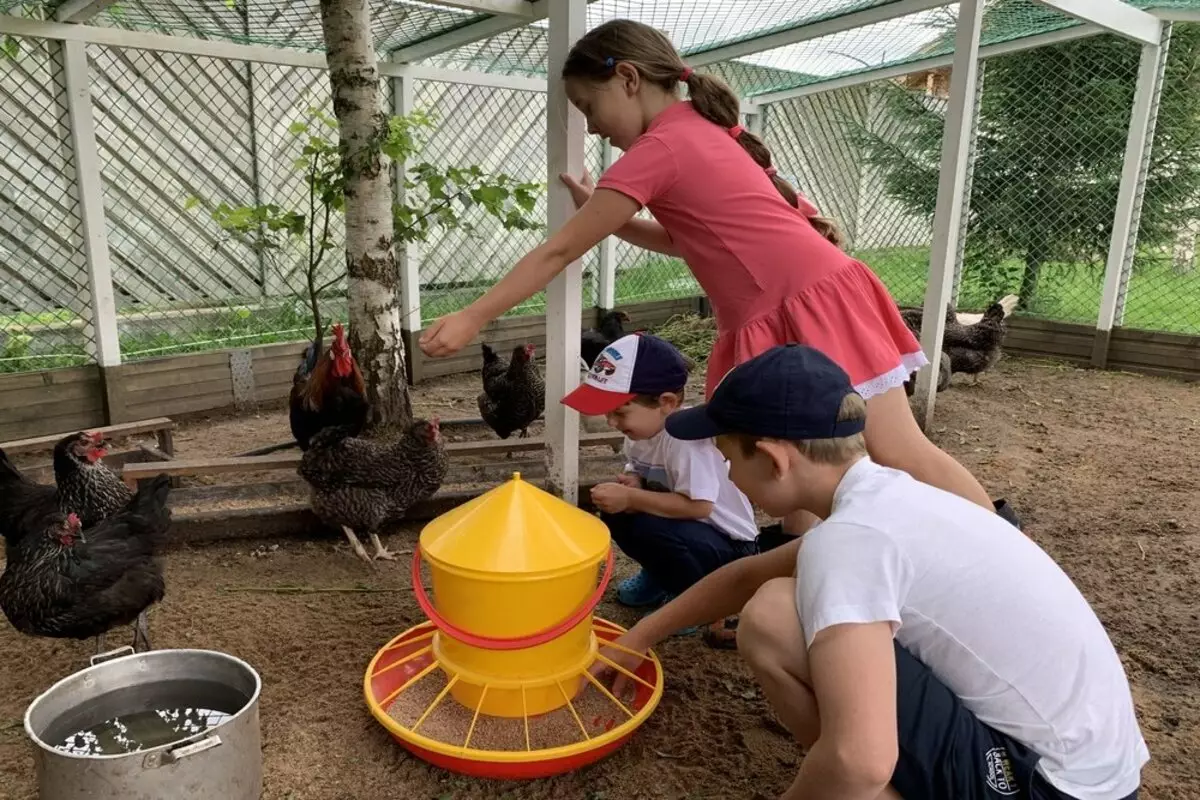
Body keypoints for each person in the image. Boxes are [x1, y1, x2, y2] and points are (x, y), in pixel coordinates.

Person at [418, 17, 1008, 537]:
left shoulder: (661, 147)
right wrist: (607, 211)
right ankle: (809, 577)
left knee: (896, 448)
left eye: (589, 109)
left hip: (805, 302)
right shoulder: (698, 133)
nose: (593, 128)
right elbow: (687, 241)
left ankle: (1007, 557)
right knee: (797, 460)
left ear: (628, 78)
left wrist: (474, 314)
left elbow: (558, 253)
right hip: (790, 300)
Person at [596, 343, 1148, 800]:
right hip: (1096, 768)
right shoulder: (888, 499)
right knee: (775, 602)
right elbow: (744, 577)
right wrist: (639, 639)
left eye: (728, 455)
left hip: (1051, 787)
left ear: (774, 457)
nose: (729, 474)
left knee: (774, 623)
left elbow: (860, 762)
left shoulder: (852, 540)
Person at [562, 332, 758, 613]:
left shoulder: (683, 439)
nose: (610, 421)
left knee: (646, 524)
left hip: (730, 549)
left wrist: (632, 498)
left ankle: (694, 602)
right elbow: (641, 471)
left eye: (619, 412)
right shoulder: (640, 432)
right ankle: (663, 577)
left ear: (666, 402)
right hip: (692, 533)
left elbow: (700, 507)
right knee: (619, 514)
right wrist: (635, 482)